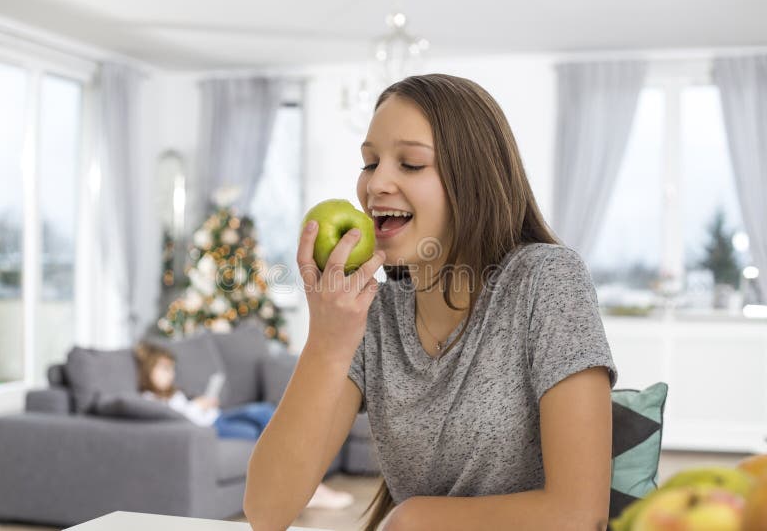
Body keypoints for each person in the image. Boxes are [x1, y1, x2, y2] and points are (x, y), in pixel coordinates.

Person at [244, 73, 618, 531]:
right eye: (370, 163)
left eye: (411, 164)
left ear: (473, 179)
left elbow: (581, 515)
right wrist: (326, 341)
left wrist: (413, 518)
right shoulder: (375, 317)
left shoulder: (546, 279)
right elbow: (266, 511)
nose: (376, 184)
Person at [134, 341, 354, 510]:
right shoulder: (150, 400)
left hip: (217, 416)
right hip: (211, 427)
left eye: (171, 369)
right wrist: (196, 407)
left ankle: (308, 487)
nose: (169, 374)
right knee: (257, 430)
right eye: (163, 369)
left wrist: (202, 402)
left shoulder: (174, 394)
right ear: (147, 371)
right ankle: (308, 489)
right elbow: (178, 418)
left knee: (263, 413)